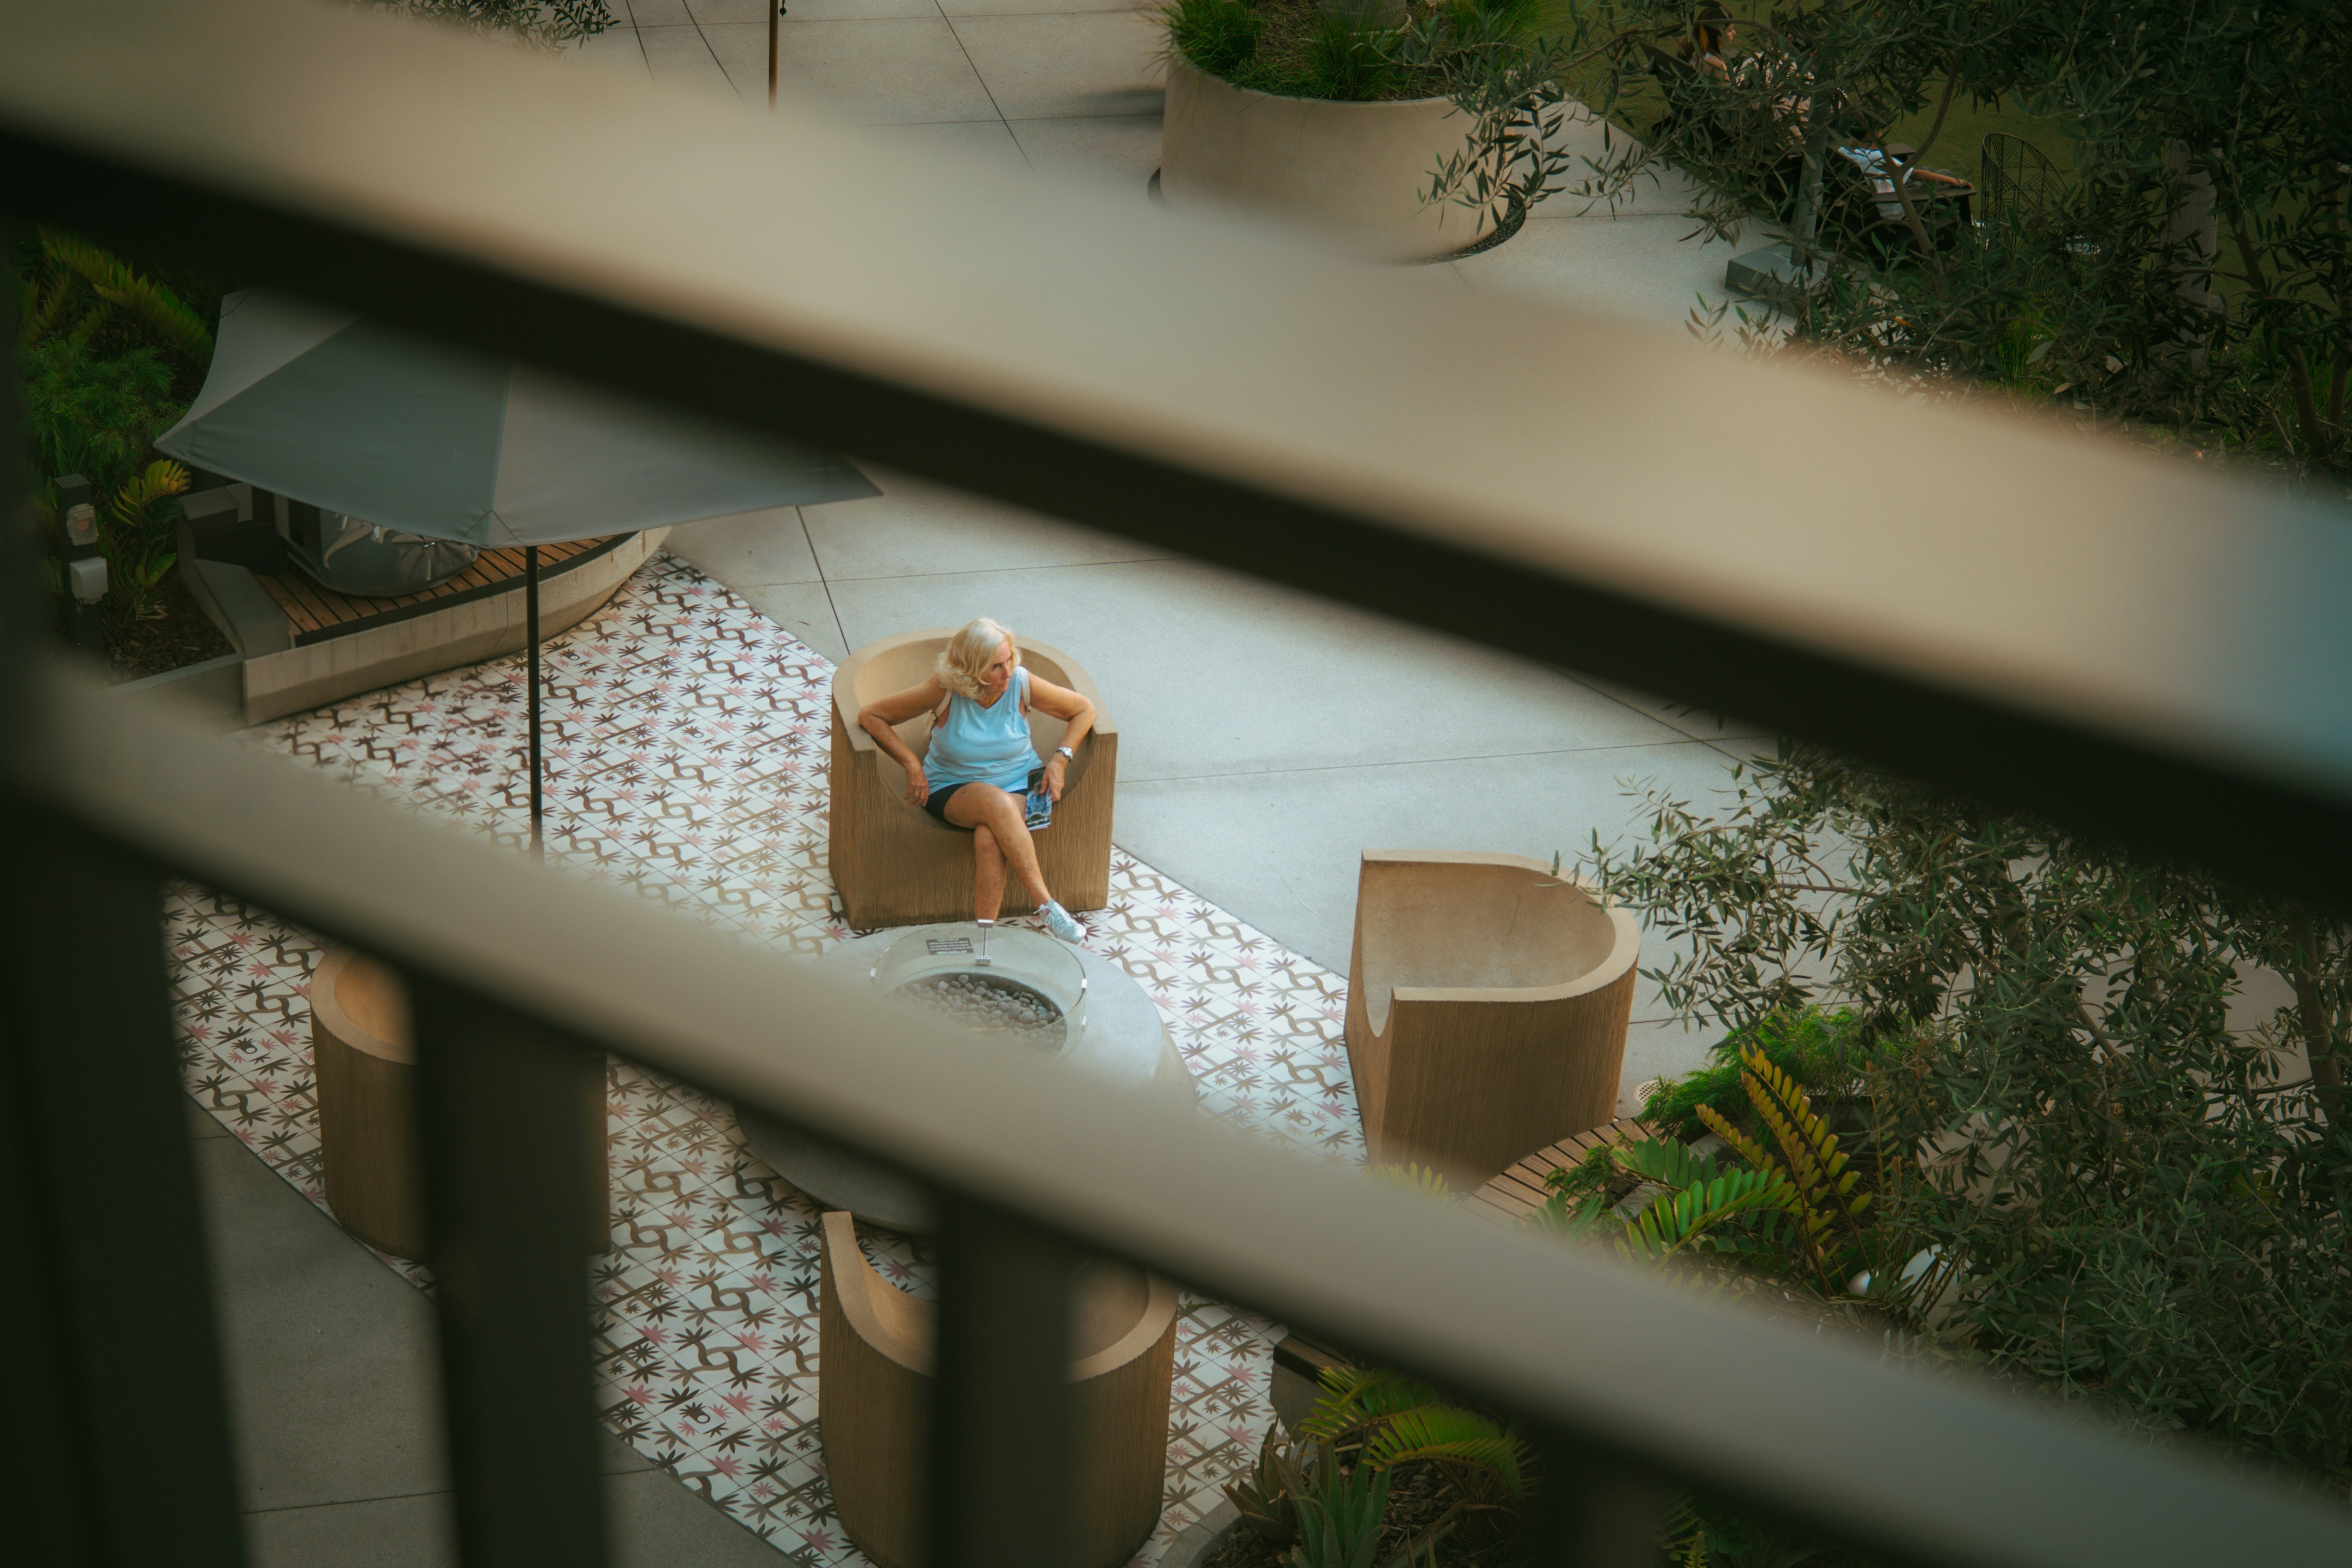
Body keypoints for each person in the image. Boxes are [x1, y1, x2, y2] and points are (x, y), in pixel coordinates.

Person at [856, 617, 1095, 941]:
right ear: (971, 669)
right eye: (996, 666)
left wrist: (1060, 760)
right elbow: (872, 716)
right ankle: (1047, 906)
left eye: (1009, 660)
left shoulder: (1021, 683)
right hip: (952, 787)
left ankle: (984, 941)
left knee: (988, 837)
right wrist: (910, 763)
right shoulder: (944, 689)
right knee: (993, 802)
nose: (1007, 672)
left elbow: (1084, 710)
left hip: (1025, 786)